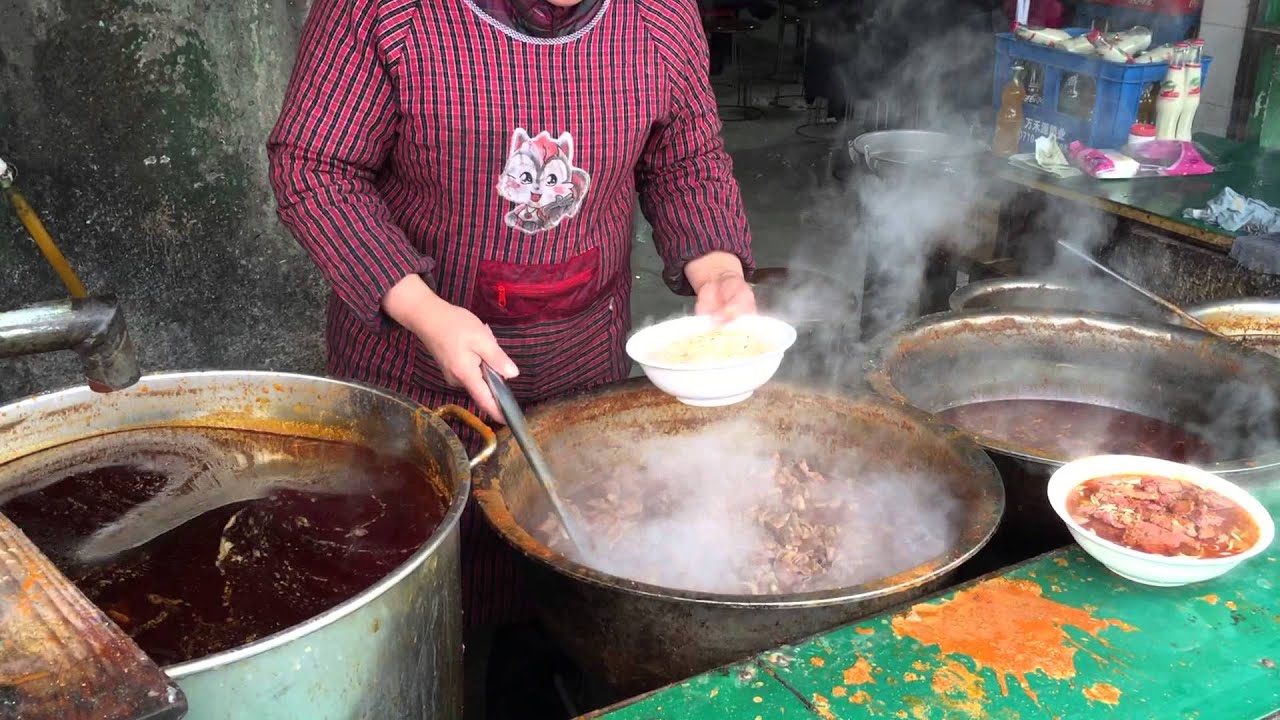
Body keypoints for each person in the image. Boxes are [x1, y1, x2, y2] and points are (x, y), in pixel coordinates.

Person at [267, 0, 757, 714]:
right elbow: (315, 169)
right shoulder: (385, 12)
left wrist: (718, 270)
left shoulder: (658, 14)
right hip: (413, 359)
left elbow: (685, 159)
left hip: (581, 357)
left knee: (567, 563)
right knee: (421, 583)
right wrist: (425, 311)